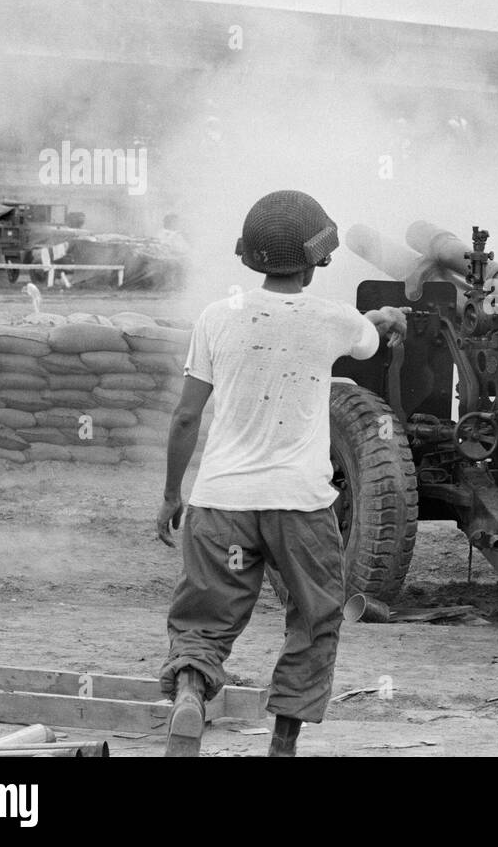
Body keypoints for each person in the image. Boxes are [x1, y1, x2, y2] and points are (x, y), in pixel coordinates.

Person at [155, 189, 407, 758]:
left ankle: (192, 691)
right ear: (317, 261)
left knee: (206, 612)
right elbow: (369, 335)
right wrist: (387, 317)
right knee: (314, 618)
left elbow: (186, 416)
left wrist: (172, 495)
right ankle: (283, 743)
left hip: (220, 503)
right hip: (300, 506)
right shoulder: (335, 320)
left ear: (249, 257)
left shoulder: (217, 317)